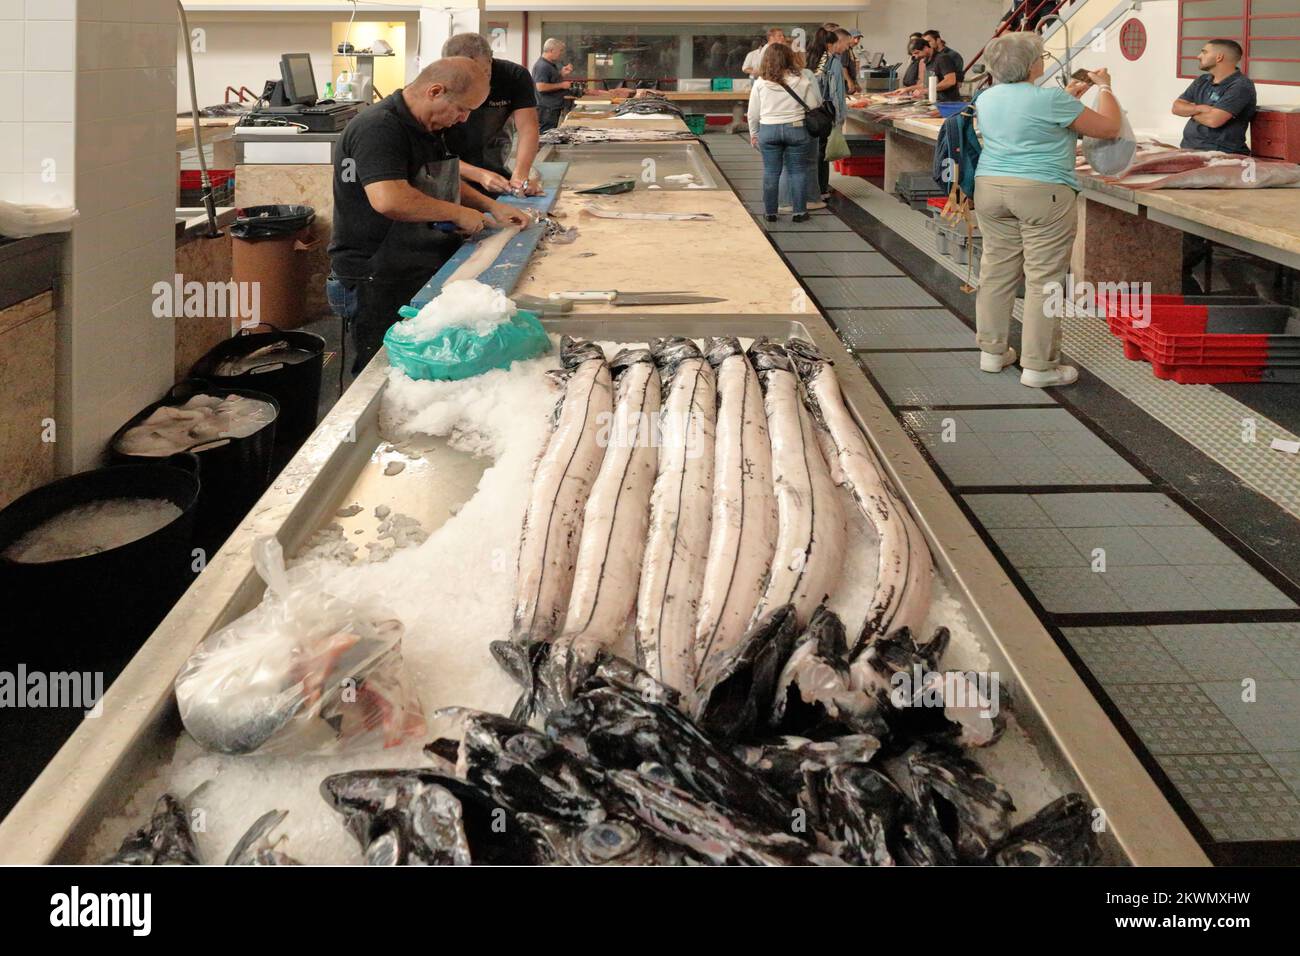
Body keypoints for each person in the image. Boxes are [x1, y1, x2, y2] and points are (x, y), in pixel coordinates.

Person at [326, 58, 532, 378]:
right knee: (381, 371)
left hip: (413, 264)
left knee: (419, 366)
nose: (463, 119)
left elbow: (440, 177)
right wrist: (459, 213)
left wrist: (490, 206)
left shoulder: (427, 126)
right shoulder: (379, 127)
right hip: (374, 275)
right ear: (435, 91)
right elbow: (389, 198)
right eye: (462, 109)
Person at [972, 31, 1120, 388]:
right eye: (1041, 56)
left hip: (990, 188)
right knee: (1044, 280)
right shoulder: (1051, 99)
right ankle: (1039, 366)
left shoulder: (986, 97)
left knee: (996, 271)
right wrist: (1106, 89)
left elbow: (1027, 119)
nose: (1043, 61)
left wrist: (1068, 100)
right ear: (1031, 64)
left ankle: (992, 353)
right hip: (1043, 193)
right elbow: (1110, 128)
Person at [441, 33, 542, 198]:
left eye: (483, 73)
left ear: (490, 59)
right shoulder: (437, 82)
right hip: (447, 170)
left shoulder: (513, 76)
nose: (476, 83)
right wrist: (477, 174)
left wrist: (520, 174)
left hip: (495, 162)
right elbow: (431, 154)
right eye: (466, 77)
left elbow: (528, 128)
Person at [748, 43, 819, 222]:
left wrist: (753, 134)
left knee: (771, 172)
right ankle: (799, 212)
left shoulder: (760, 83)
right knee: (797, 171)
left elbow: (753, 113)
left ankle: (771, 212)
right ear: (789, 58)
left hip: (768, 130)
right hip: (796, 129)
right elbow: (813, 105)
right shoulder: (802, 79)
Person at [1173, 38, 1256, 156]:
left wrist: (1189, 110)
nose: (1198, 56)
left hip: (1221, 156)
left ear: (1219, 57)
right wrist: (1199, 108)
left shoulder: (1241, 86)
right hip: (1188, 150)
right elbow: (1176, 107)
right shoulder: (1202, 80)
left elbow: (1213, 120)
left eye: (1204, 52)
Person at [809, 27, 849, 200]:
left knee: (811, 151)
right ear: (830, 44)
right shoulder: (833, 62)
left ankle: (811, 188)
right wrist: (840, 117)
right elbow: (836, 92)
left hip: (808, 111)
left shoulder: (809, 59)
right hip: (825, 111)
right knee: (822, 152)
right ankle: (822, 190)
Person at [899, 36, 963, 102]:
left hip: (949, 102)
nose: (916, 56)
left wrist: (926, 90)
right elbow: (927, 84)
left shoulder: (942, 58)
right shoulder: (928, 61)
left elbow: (950, 81)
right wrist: (907, 89)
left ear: (926, 48)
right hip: (937, 101)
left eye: (917, 53)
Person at [531, 38, 573, 133]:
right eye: (560, 51)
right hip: (547, 109)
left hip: (551, 108)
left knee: (549, 134)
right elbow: (540, 87)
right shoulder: (542, 66)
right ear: (551, 50)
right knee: (546, 135)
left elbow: (550, 81)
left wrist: (561, 74)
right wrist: (562, 85)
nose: (561, 53)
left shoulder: (549, 65)